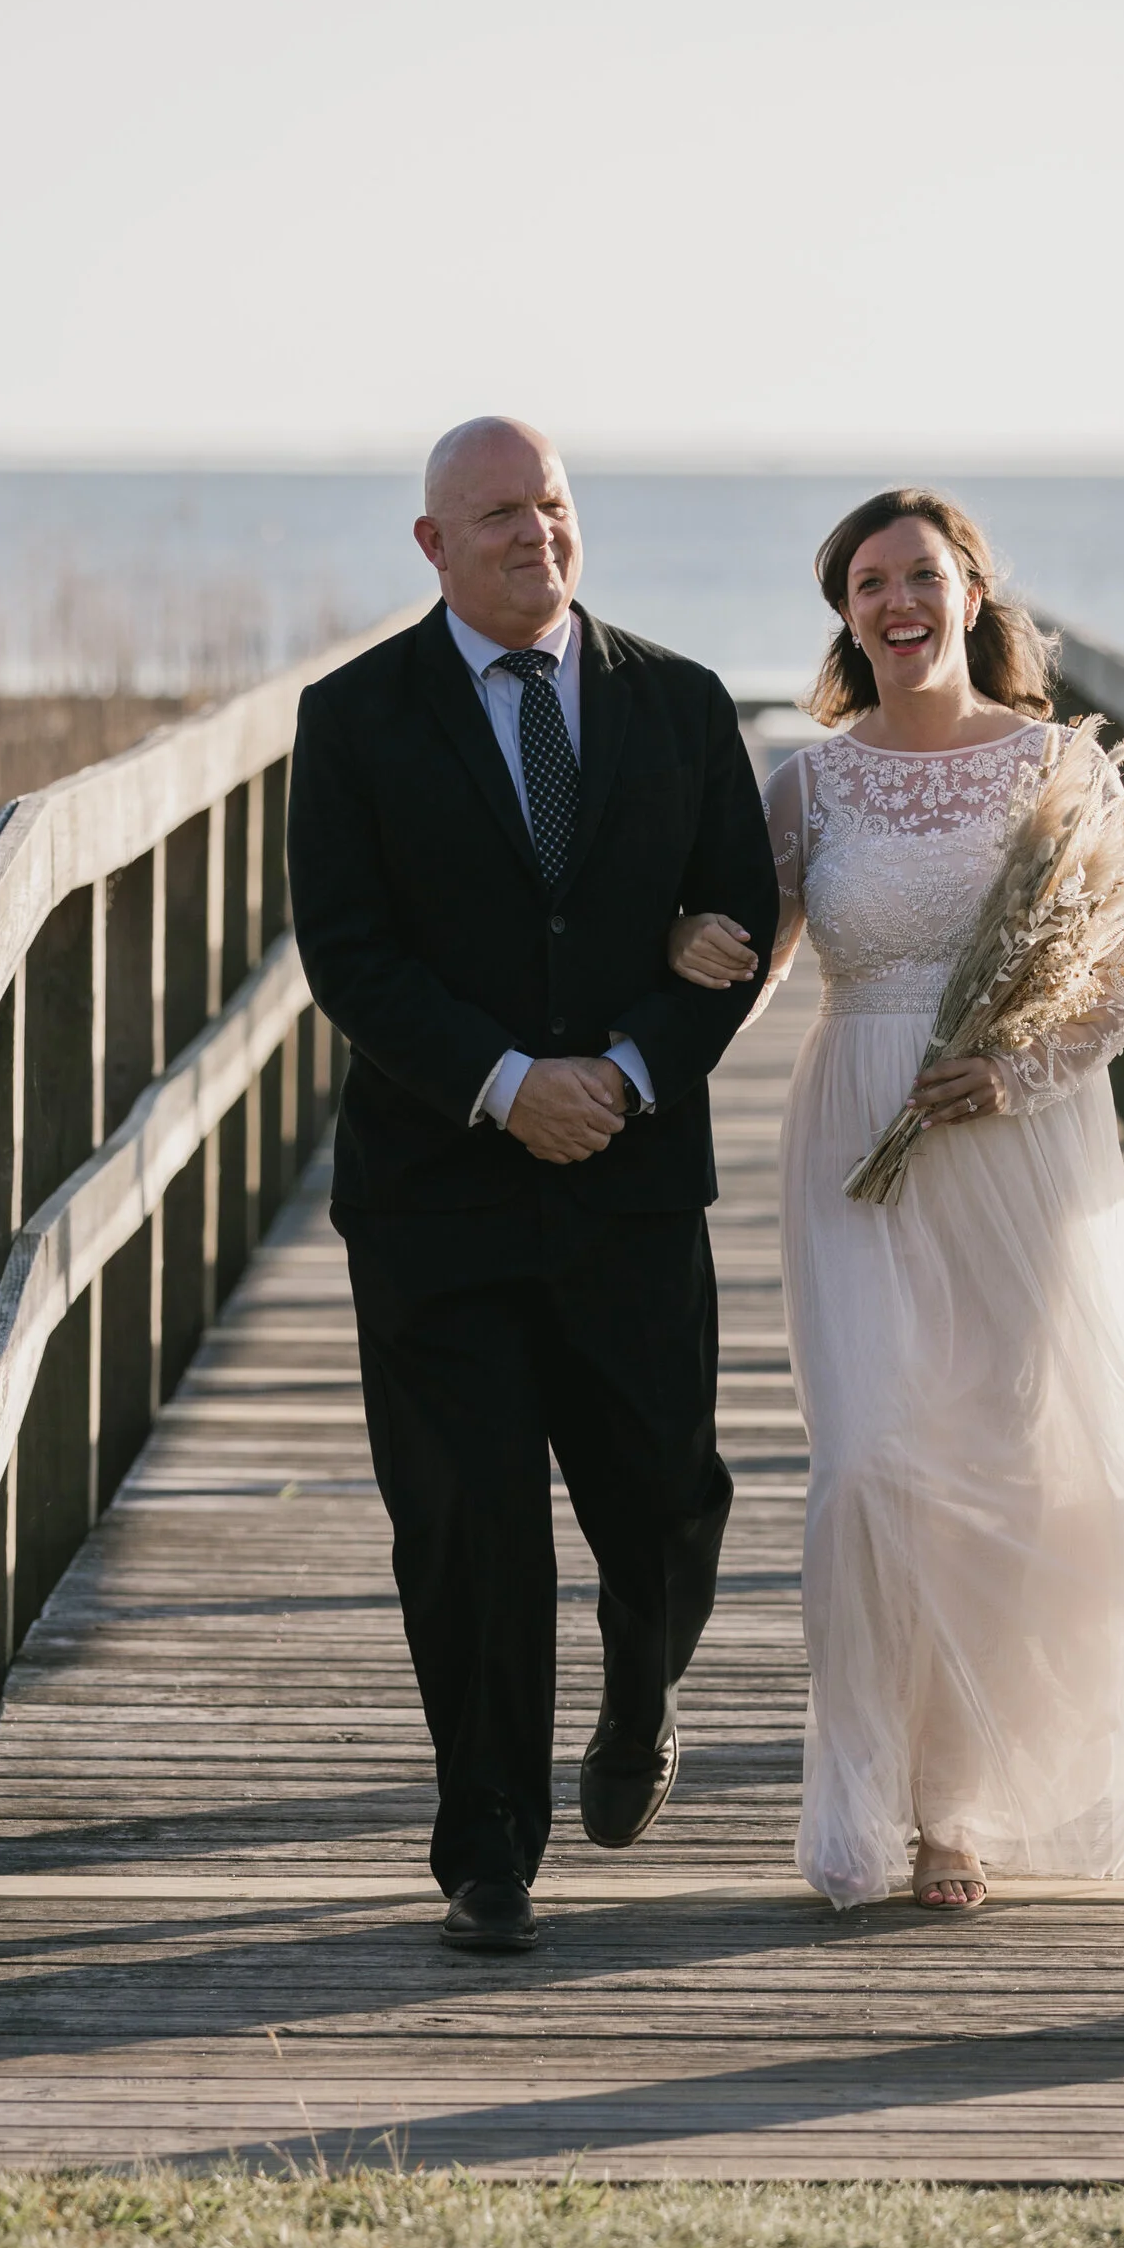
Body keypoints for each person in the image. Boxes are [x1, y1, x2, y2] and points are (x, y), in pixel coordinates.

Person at [669, 488, 1124, 1911]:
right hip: (852, 1138)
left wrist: (1010, 1066)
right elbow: (754, 955)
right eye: (869, 582)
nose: (899, 602)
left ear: (972, 592)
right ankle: (856, 1804)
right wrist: (691, 950)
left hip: (1015, 1147)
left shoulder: (1058, 766)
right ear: (844, 614)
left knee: (997, 1467)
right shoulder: (811, 783)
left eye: (922, 576)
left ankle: (957, 1807)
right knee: (874, 1465)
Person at [286, 417, 779, 1953]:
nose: (534, 536)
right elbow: (347, 951)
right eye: (497, 514)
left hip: (631, 1189)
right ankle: (486, 1845)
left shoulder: (682, 704)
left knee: (667, 1504)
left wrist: (627, 1071)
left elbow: (742, 918)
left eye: (552, 506)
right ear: (432, 545)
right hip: (439, 1194)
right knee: (465, 1523)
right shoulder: (355, 717)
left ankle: (643, 1692)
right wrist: (508, 1085)